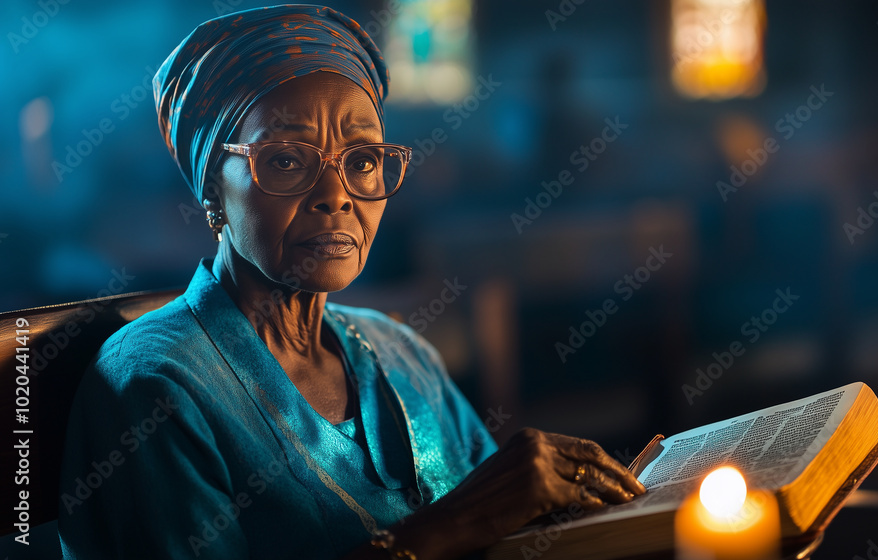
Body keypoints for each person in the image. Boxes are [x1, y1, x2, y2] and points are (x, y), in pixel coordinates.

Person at [57, 5, 645, 559]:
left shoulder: (398, 351)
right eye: (286, 159)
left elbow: (513, 525)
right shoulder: (154, 387)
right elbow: (474, 516)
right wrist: (451, 524)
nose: (337, 196)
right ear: (213, 187)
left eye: (362, 160)